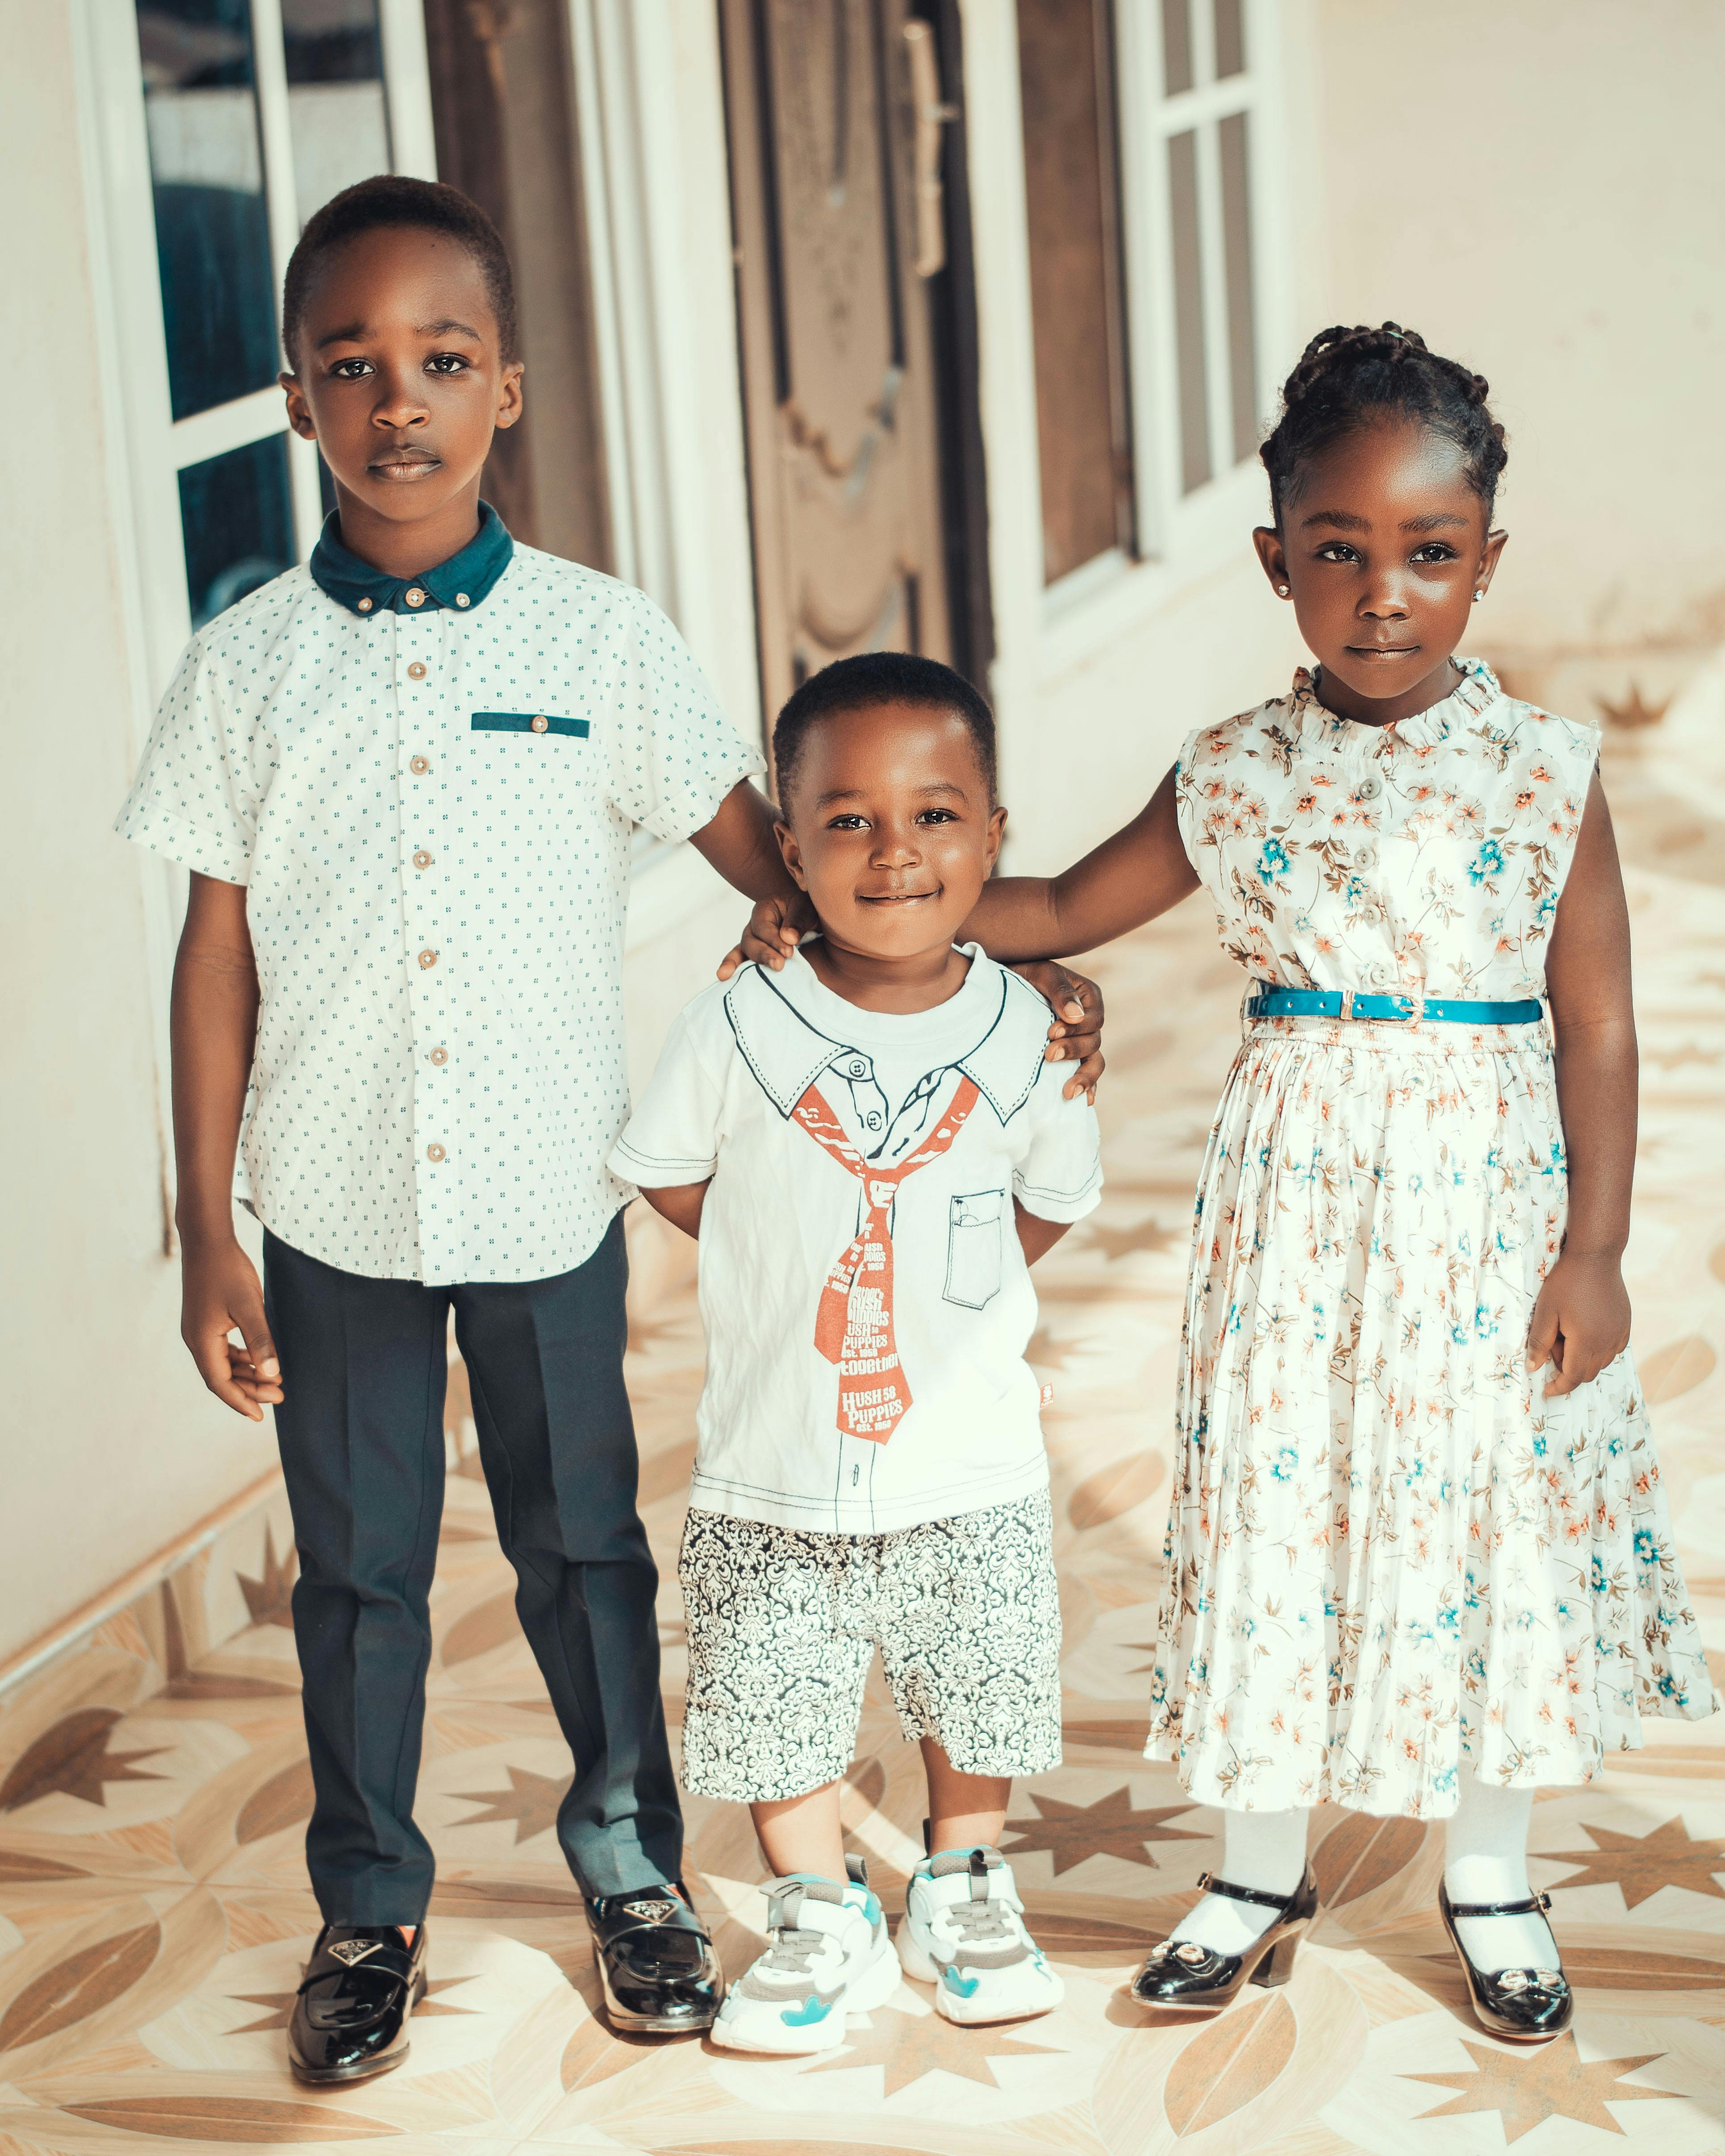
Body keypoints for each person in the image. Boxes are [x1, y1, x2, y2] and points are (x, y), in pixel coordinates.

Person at [113, 170, 1098, 2083]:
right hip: (327, 1203)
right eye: (352, 364)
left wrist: (1002, 967)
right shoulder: (243, 670)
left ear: (513, 390)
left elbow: (799, 862)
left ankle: (636, 1868)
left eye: (442, 359)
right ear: (299, 398)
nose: (398, 400)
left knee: (586, 1549)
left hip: (553, 1191)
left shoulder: (601, 642)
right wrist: (211, 1228)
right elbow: (211, 957)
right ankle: (364, 1904)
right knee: (361, 1564)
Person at [732, 326, 1717, 2043]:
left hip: (1490, 1214)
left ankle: (1493, 1876)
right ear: (1278, 562)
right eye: (1338, 551)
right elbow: (1050, 913)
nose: (1384, 592)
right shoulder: (1235, 769)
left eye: (1429, 554)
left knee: (1481, 1525)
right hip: (1292, 1210)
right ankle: (1257, 1865)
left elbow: (1607, 1025)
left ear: (1488, 560)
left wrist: (1603, 1248)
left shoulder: (1548, 771)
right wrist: (850, 897)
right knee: (1284, 1515)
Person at [611, 653, 1101, 2054]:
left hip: (969, 1454)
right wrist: (785, 1258)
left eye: (938, 817)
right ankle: (819, 1910)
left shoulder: (1032, 1030)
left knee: (982, 1676)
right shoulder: (741, 1020)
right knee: (771, 1691)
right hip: (778, 1463)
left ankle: (962, 1881)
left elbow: (1048, 1200)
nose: (896, 854)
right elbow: (670, 1172)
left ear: (995, 835)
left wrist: (953, 1288)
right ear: (786, 848)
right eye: (847, 821)